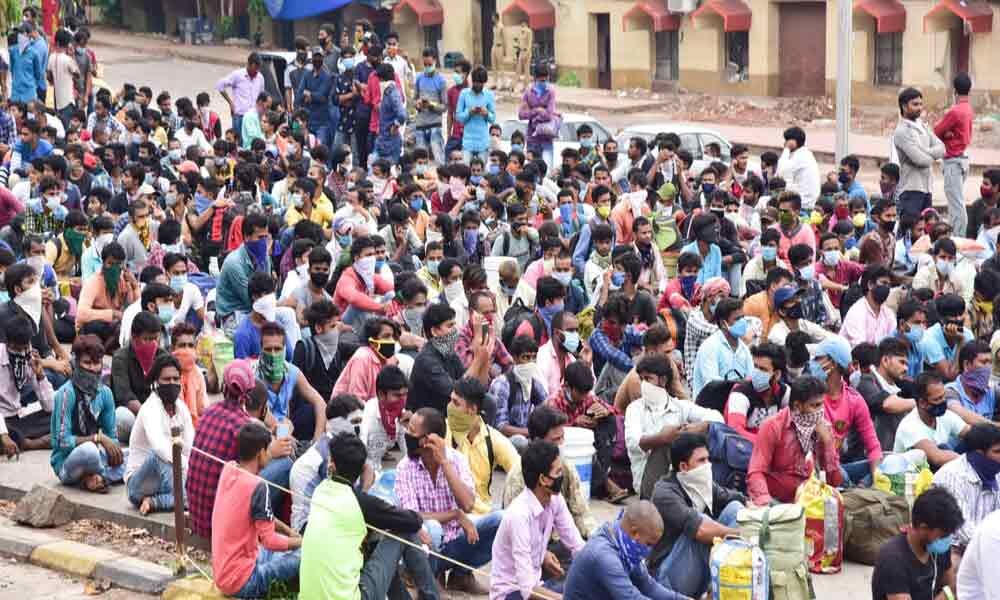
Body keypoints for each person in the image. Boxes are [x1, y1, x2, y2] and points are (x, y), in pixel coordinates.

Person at [299, 432, 440, 600]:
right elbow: (412, 520)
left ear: (331, 463)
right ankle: (432, 596)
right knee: (405, 531)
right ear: (361, 469)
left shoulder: (320, 492)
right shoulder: (360, 503)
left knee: (375, 543)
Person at [395, 407, 500, 594]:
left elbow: (467, 504)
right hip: (427, 542)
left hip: (454, 539)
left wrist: (444, 463)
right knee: (432, 528)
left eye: (412, 431)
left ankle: (460, 576)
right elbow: (412, 516)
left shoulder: (456, 460)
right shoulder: (405, 467)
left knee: (500, 520)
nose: (406, 434)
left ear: (429, 440)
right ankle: (429, 581)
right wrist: (455, 515)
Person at [186, 360, 295, 539]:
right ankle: (264, 526)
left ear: (224, 388)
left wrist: (273, 425)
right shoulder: (245, 427)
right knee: (285, 464)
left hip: (199, 515)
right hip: (220, 524)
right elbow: (267, 456)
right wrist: (274, 447)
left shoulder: (210, 411)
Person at [211, 421, 302, 599]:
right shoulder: (258, 486)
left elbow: (265, 518)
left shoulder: (229, 469)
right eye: (267, 450)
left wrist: (289, 531)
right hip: (244, 582)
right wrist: (303, 542)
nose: (269, 455)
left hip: (222, 573)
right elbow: (270, 541)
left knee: (282, 548)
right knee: (304, 553)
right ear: (261, 452)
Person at [649, 432, 745, 599]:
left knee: (736, 510)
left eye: (708, 459)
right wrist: (744, 535)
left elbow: (735, 498)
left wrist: (764, 513)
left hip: (692, 568)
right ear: (684, 466)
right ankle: (715, 591)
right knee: (704, 527)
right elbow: (701, 530)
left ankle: (722, 589)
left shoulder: (702, 485)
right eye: (701, 461)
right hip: (666, 578)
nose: (707, 465)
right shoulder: (664, 492)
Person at [491, 439, 583, 600]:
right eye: (558, 472)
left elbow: (577, 545)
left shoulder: (555, 499)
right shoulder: (519, 515)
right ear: (543, 479)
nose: (562, 476)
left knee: (589, 586)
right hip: (511, 594)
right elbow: (527, 590)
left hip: (537, 585)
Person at [625, 354, 723, 496]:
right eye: (641, 379)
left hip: (683, 479)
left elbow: (717, 417)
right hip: (649, 485)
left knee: (706, 434)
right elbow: (633, 443)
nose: (643, 384)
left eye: (648, 379)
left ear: (663, 380)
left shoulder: (679, 406)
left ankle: (710, 491)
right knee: (667, 445)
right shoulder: (635, 409)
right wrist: (661, 438)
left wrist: (699, 427)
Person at [502, 405, 599, 539]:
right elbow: (513, 531)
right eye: (555, 440)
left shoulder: (565, 467)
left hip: (562, 539)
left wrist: (594, 536)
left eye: (562, 437)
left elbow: (581, 512)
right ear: (537, 441)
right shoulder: (517, 476)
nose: (561, 443)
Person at [563, 500, 688, 600]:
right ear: (634, 532)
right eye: (649, 544)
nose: (650, 550)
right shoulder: (605, 556)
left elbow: (648, 587)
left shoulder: (625, 548)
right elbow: (631, 597)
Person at [747, 375, 843, 505]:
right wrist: (766, 504)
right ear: (797, 405)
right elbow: (756, 472)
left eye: (822, 405)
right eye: (815, 406)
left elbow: (834, 482)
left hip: (814, 500)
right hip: (780, 502)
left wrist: (828, 444)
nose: (820, 411)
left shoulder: (823, 428)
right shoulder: (773, 426)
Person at [50, 334, 124, 492]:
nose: (92, 368)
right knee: (89, 450)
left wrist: (114, 451)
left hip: (98, 456)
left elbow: (112, 437)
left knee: (135, 456)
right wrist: (97, 438)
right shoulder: (65, 394)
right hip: (68, 463)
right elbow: (62, 443)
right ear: (76, 363)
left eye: (96, 363)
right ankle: (102, 476)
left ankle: (94, 478)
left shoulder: (105, 393)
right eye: (87, 363)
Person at [809, 336, 883, 487]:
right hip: (814, 469)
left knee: (886, 462)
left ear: (832, 364)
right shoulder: (807, 396)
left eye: (817, 358)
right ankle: (856, 490)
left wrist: (878, 481)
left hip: (839, 467)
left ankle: (859, 489)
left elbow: (873, 446)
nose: (812, 363)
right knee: (840, 475)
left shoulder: (854, 400)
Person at [124, 354, 193, 515]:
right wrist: (189, 470)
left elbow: (189, 447)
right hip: (139, 484)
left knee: (197, 491)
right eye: (166, 379)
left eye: (176, 379)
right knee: (159, 455)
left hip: (171, 476)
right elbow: (160, 448)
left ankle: (156, 502)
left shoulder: (181, 408)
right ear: (156, 383)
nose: (172, 383)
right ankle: (181, 497)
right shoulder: (150, 408)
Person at [871, 486, 963, 600]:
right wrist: (945, 596)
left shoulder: (939, 547)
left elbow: (952, 588)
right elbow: (950, 592)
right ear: (923, 528)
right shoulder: (893, 559)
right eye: (943, 535)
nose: (946, 540)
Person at [446, 376, 519, 514]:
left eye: (455, 403)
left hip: (485, 513)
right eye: (450, 400)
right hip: (451, 514)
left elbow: (520, 472)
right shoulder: (443, 431)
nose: (449, 407)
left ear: (472, 409)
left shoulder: (493, 439)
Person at [409, 303, 492, 414]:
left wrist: (485, 359)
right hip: (430, 415)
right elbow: (457, 391)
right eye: (450, 326)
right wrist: (477, 360)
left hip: (451, 407)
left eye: (454, 325)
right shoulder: (426, 360)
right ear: (434, 331)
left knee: (488, 402)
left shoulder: (449, 353)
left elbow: (477, 386)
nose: (454, 330)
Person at [932, 422, 1000, 556]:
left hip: (988, 546)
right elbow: (963, 530)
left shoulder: (996, 471)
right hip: (951, 549)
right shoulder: (952, 476)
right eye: (997, 452)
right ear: (979, 453)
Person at [257, 321, 327, 445]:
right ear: (261, 350)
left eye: (277, 349)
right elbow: (262, 419)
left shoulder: (291, 371)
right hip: (262, 434)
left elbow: (319, 402)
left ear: (284, 349)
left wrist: (317, 440)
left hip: (285, 427)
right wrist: (284, 434)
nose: (273, 354)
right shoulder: (253, 378)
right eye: (268, 349)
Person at [110, 311, 169, 442]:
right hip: (134, 414)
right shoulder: (121, 358)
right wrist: (149, 419)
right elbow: (125, 397)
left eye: (155, 339)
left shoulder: (163, 356)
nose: (152, 343)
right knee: (121, 417)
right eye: (147, 339)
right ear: (134, 337)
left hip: (159, 414)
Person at [893, 372, 970, 470]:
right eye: (937, 399)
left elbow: (971, 433)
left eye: (943, 396)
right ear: (922, 403)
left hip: (930, 473)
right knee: (943, 449)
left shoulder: (945, 416)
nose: (943, 401)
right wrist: (970, 463)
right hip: (908, 478)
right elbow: (937, 458)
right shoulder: (909, 426)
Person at [0, 315, 54, 455]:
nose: (22, 353)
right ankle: (23, 442)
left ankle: (22, 441)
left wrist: (40, 376)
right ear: (8, 344)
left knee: (57, 417)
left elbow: (50, 407)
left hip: (17, 419)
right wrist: (4, 435)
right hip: (3, 420)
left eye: (26, 347)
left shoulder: (29, 357)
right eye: (18, 349)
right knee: (9, 434)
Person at [855, 337, 916, 453]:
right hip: (865, 460)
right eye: (902, 362)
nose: (906, 368)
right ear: (885, 361)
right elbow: (888, 404)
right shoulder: (865, 381)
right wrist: (919, 402)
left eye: (907, 364)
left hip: (894, 458)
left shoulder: (902, 386)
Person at [893, 87, 945, 217]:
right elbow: (922, 161)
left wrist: (923, 150)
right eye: (915, 104)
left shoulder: (922, 126)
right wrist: (931, 155)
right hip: (911, 191)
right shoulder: (902, 131)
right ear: (904, 107)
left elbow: (942, 148)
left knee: (925, 233)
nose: (920, 107)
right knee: (911, 233)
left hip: (927, 189)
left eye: (921, 104)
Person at [724, 342, 789, 443]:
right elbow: (735, 432)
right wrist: (766, 444)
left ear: (776, 375)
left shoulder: (784, 392)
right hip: (744, 450)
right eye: (755, 367)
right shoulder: (740, 393)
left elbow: (798, 421)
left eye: (762, 369)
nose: (756, 373)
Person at [491, 334, 547, 451]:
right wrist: (531, 432)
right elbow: (500, 427)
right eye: (526, 357)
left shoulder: (534, 383)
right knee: (521, 442)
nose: (530, 362)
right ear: (515, 358)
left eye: (533, 358)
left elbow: (547, 409)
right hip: (504, 442)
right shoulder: (502, 384)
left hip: (527, 437)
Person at [934, 73, 973, 235]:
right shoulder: (968, 109)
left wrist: (947, 134)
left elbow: (936, 131)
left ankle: (958, 238)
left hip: (953, 161)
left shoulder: (955, 111)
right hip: (962, 158)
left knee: (956, 204)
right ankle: (956, 235)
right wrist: (949, 134)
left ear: (954, 90)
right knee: (955, 203)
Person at [691, 297, 753, 399]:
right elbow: (712, 384)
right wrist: (739, 384)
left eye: (743, 317)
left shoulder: (744, 348)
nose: (742, 322)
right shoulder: (710, 346)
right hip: (710, 405)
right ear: (724, 324)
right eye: (737, 319)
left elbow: (750, 379)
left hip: (735, 401)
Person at [331, 317, 402, 401]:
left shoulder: (388, 360)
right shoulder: (362, 359)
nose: (392, 341)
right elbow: (356, 400)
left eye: (393, 336)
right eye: (386, 336)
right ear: (373, 342)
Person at [918, 294, 974, 382]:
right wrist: (960, 342)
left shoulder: (967, 334)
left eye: (960, 314)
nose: (958, 319)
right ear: (941, 318)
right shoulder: (929, 338)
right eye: (953, 315)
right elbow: (950, 376)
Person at [944, 341, 998, 427]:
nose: (988, 367)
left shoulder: (991, 389)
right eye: (984, 362)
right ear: (966, 364)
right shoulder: (950, 391)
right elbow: (961, 413)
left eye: (990, 363)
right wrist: (996, 426)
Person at [839, 264, 895, 346]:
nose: (886, 288)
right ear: (870, 285)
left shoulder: (888, 313)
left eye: (888, 285)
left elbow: (893, 343)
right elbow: (861, 349)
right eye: (883, 283)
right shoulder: (857, 312)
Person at [215, 53, 265, 137]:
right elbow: (220, 85)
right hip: (239, 116)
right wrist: (230, 102)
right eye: (255, 68)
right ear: (249, 64)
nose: (257, 71)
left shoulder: (260, 77)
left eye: (258, 68)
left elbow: (262, 96)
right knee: (238, 142)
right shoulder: (237, 75)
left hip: (253, 117)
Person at [412, 48, 447, 165]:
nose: (427, 67)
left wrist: (431, 105)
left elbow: (444, 107)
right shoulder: (419, 78)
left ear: (435, 61)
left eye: (429, 64)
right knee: (420, 161)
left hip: (435, 125)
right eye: (425, 64)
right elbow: (414, 99)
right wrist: (417, 104)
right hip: (420, 124)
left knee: (439, 159)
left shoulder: (441, 81)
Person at [456, 66, 496, 165]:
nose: (478, 85)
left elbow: (493, 118)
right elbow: (458, 117)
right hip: (467, 142)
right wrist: (469, 112)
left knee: (480, 173)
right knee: (465, 170)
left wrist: (486, 113)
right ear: (472, 81)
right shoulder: (464, 94)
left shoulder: (489, 95)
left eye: (481, 83)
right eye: (476, 82)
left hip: (483, 142)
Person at [776, 127, 820, 211]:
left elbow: (780, 173)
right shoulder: (804, 153)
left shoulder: (801, 156)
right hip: (805, 201)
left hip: (803, 205)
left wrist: (786, 149)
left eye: (786, 140)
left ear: (792, 142)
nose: (784, 143)